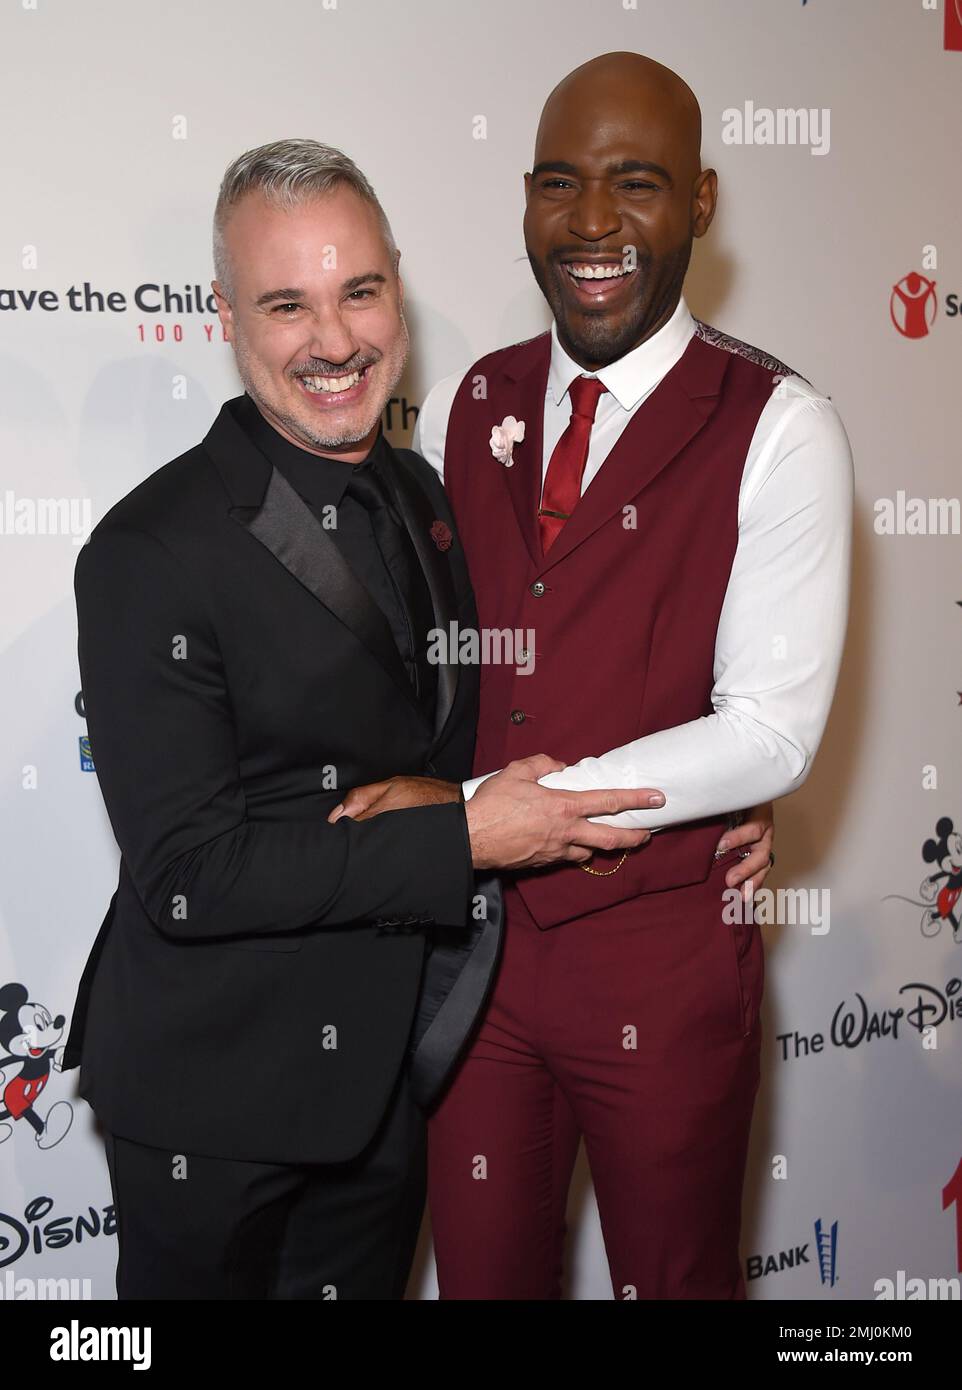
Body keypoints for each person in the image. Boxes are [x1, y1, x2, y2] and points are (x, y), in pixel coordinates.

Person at [60, 139, 662, 1300]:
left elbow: (522, 699)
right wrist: (466, 838)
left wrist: (713, 794)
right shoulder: (148, 552)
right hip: (215, 1102)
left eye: (359, 292)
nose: (335, 342)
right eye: (287, 304)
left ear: (398, 284)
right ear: (224, 316)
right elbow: (190, 870)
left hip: (385, 1083)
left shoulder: (424, 492)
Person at [340, 52, 853, 1299]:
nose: (590, 221)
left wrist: (514, 811)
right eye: (559, 182)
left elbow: (769, 731)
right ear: (523, 197)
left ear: (701, 203)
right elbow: (455, 662)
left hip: (661, 957)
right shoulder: (476, 397)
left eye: (635, 183)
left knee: (673, 1282)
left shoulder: (778, 423)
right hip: (471, 959)